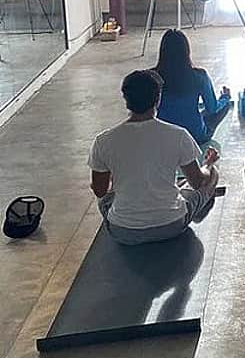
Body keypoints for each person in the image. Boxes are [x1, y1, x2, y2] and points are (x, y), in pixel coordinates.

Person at [88, 70, 221, 246]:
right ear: (158, 99)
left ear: (126, 99)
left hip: (123, 230)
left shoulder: (103, 141)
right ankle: (183, 189)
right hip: (171, 225)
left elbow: (99, 191)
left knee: (105, 198)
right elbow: (198, 182)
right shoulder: (178, 135)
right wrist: (208, 164)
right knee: (211, 176)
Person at [154, 29, 231, 147]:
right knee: (223, 106)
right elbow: (212, 108)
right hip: (195, 136)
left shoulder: (153, 77)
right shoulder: (199, 76)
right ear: (187, 51)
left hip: (165, 136)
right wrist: (225, 97)